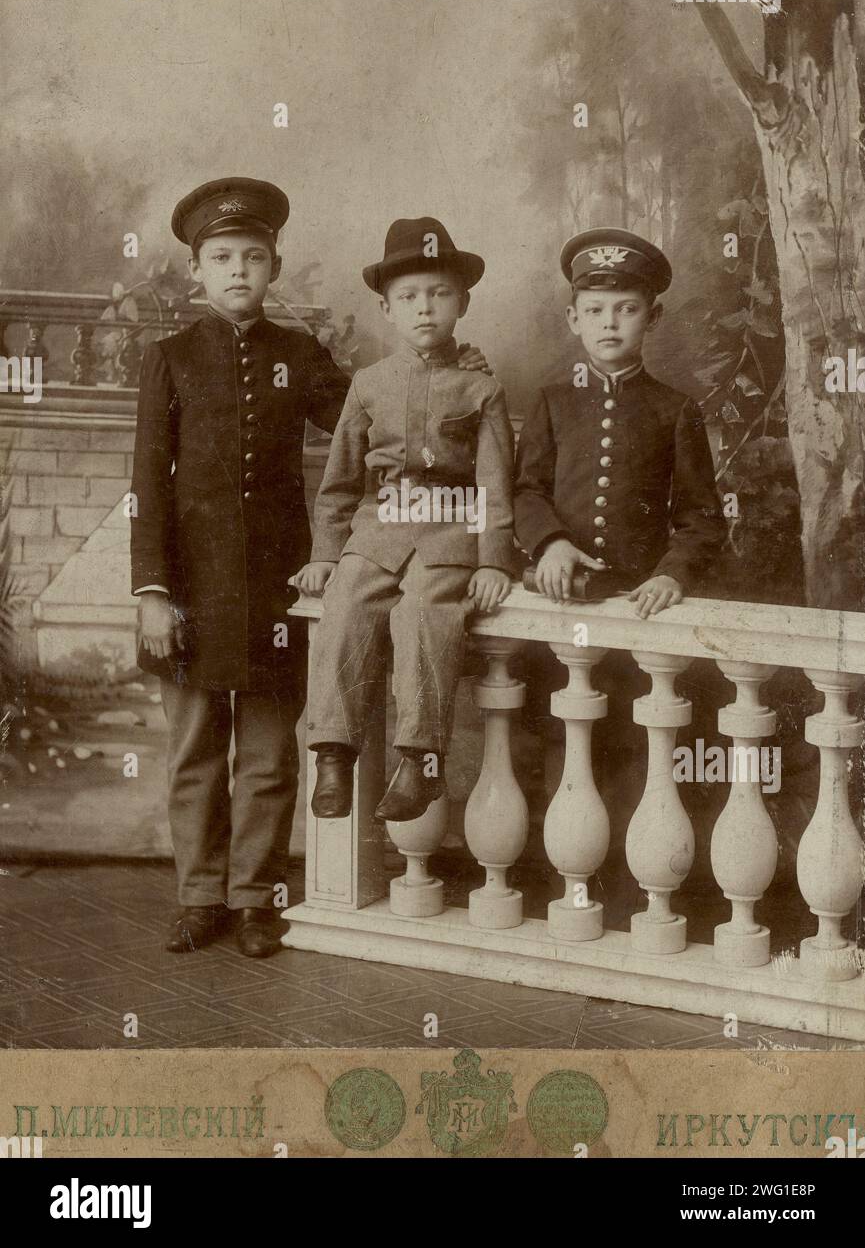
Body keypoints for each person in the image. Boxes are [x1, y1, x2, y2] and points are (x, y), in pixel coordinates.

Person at [131, 181, 493, 957]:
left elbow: (382, 416)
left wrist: (453, 368)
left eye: (253, 259)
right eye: (221, 258)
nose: (238, 272)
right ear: (196, 270)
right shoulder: (168, 359)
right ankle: (200, 896)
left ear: (274, 268)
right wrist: (152, 591)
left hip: (274, 586)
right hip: (192, 587)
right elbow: (145, 487)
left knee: (266, 753)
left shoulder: (300, 356)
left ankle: (256, 896)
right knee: (194, 749)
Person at [291, 217, 515, 824]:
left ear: (462, 303)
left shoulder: (481, 388)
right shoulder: (368, 384)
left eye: (439, 294)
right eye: (409, 297)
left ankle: (419, 761)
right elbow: (340, 482)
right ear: (386, 308)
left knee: (423, 614)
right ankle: (333, 752)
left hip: (450, 529)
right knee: (345, 605)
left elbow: (495, 483)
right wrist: (325, 554)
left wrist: (494, 559)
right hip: (382, 526)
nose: (424, 309)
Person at [514, 227, 727, 757]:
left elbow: (702, 517)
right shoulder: (552, 401)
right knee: (553, 741)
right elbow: (526, 492)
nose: (609, 322)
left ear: (652, 318)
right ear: (573, 319)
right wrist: (551, 544)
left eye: (627, 308)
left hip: (637, 607)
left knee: (632, 748)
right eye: (594, 309)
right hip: (561, 602)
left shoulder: (674, 409)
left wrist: (672, 573)